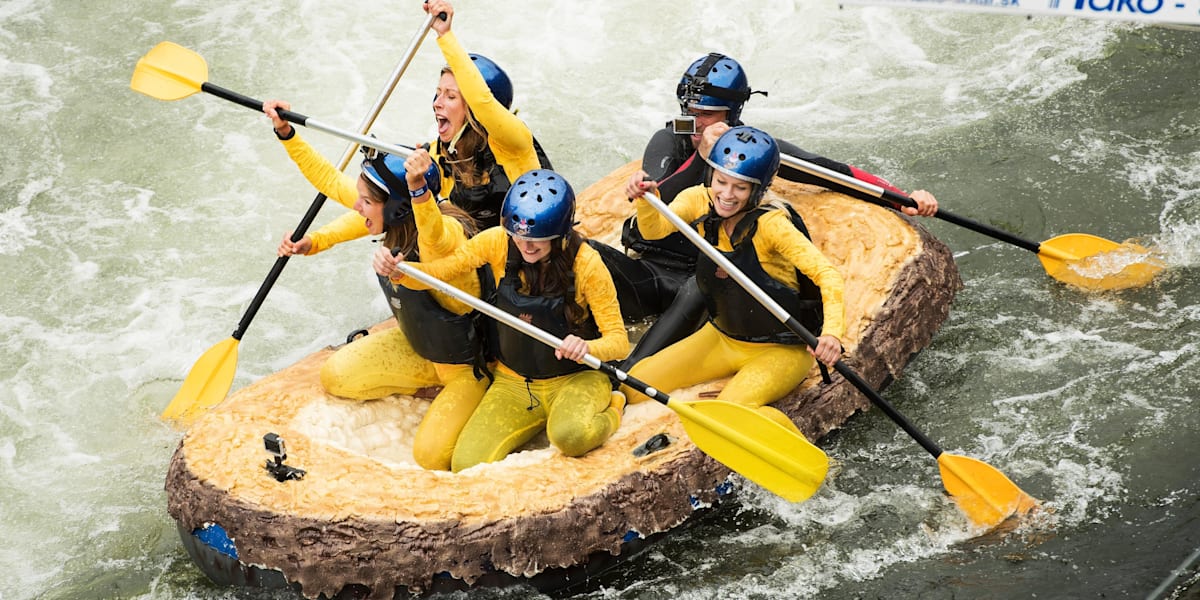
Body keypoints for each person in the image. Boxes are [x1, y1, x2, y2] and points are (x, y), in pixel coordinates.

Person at [592, 52, 937, 369]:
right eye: (689, 111)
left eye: (706, 115)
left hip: (709, 285)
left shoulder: (750, 149)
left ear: (732, 115)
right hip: (649, 273)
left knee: (708, 274)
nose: (695, 123)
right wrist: (701, 157)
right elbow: (656, 206)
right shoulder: (671, 137)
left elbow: (828, 171)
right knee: (581, 250)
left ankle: (628, 371)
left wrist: (901, 198)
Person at [376, 169, 630, 471]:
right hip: (514, 382)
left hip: (574, 376)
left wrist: (587, 348)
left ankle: (614, 406)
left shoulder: (587, 264)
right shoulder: (498, 241)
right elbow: (446, 271)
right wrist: (400, 272)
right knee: (466, 464)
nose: (527, 246)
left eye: (538, 239)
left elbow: (619, 343)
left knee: (571, 435)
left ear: (561, 233)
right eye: (519, 236)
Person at [266, 0, 551, 258]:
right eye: (438, 93)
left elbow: (483, 101)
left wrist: (445, 36)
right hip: (477, 264)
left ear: (474, 111)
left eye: (451, 97)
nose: (437, 103)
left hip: (530, 256)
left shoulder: (513, 141)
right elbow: (373, 202)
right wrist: (287, 135)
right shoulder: (439, 156)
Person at [622, 126, 845, 434]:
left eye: (740, 188)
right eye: (721, 182)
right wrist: (647, 200)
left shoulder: (772, 226)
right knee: (635, 385)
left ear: (758, 189)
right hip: (724, 337)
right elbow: (654, 231)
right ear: (711, 175)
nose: (726, 195)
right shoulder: (699, 200)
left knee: (729, 413)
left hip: (779, 348)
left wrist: (831, 335)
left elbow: (827, 276)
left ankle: (802, 444)